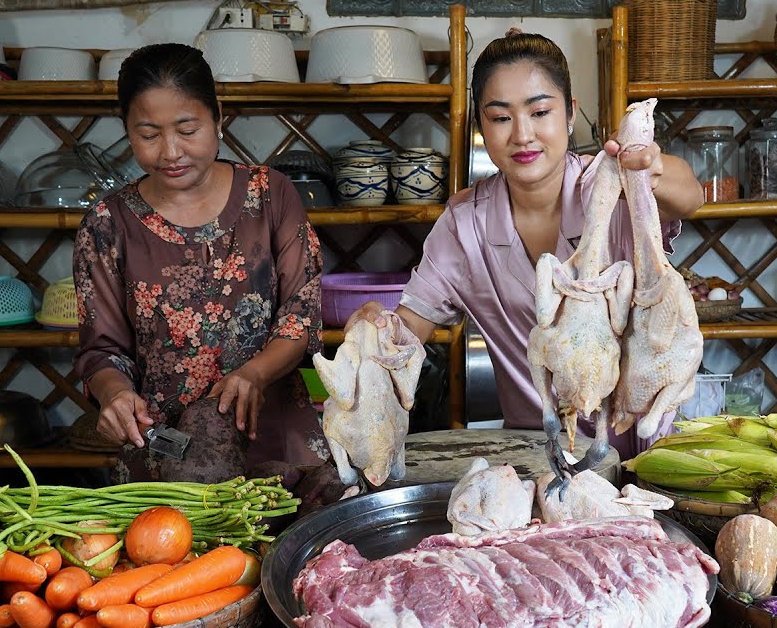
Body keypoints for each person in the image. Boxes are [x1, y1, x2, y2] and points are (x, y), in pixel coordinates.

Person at [348, 29, 704, 461]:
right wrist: (376, 331)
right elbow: (411, 327)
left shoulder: (611, 188)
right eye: (500, 118)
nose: (522, 134)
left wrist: (651, 169)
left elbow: (690, 195)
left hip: (644, 451)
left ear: (569, 114)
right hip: (536, 457)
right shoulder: (466, 224)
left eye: (539, 112)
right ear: (480, 124)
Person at [74, 43, 331, 490]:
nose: (171, 151)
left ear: (218, 117)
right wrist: (114, 394)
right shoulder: (106, 223)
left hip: (274, 443)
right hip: (164, 451)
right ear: (127, 131)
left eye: (187, 129)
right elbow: (101, 349)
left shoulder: (270, 195)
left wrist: (254, 372)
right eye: (149, 134)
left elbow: (300, 317)